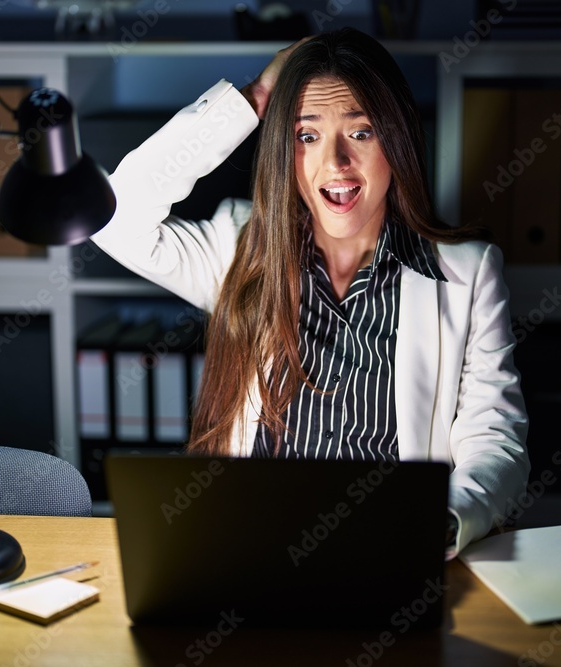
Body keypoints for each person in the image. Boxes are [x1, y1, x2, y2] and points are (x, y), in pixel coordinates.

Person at [90, 28, 529, 556]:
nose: (335, 162)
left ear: (397, 142)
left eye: (361, 132)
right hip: (252, 553)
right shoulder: (238, 249)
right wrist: (255, 98)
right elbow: (112, 218)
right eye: (306, 136)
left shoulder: (468, 274)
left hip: (388, 553)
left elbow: (494, 439)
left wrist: (442, 521)